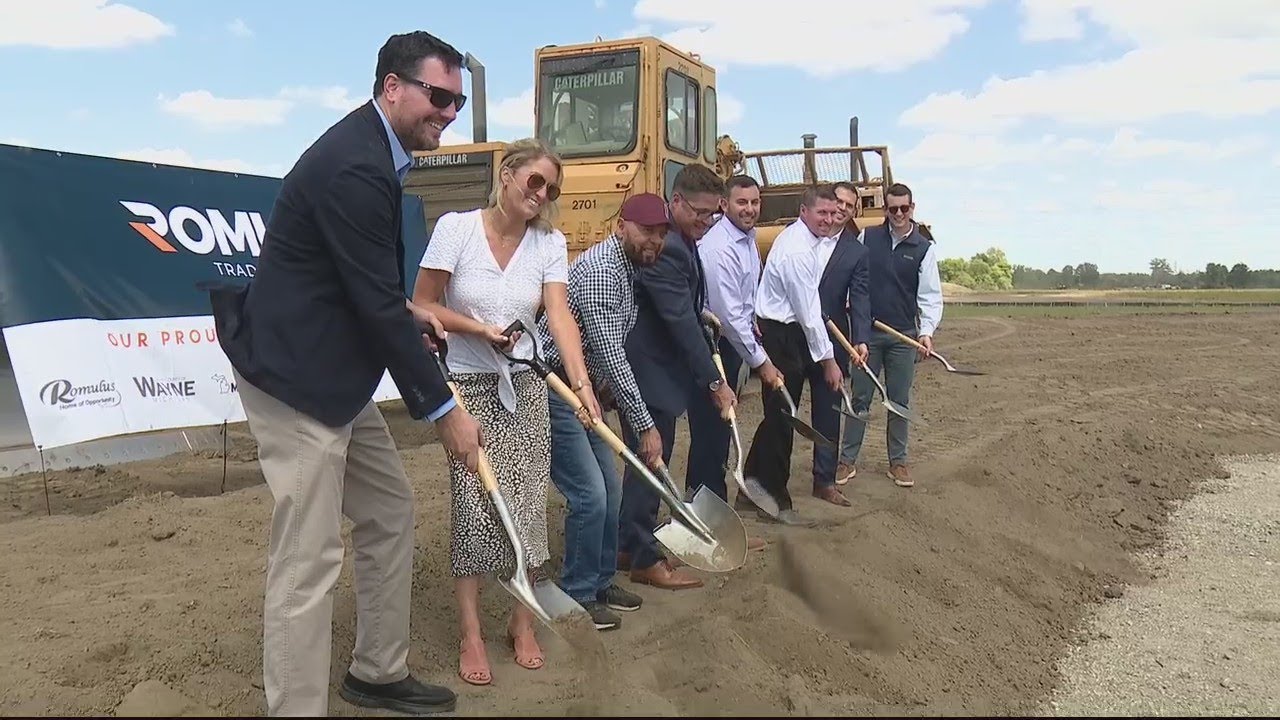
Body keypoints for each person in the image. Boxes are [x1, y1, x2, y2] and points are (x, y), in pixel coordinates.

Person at [208, 31, 483, 717]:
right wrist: (445, 410)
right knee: (308, 560)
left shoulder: (374, 154)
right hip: (295, 378)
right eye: (437, 96)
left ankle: (377, 672)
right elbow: (370, 304)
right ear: (392, 86)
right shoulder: (356, 166)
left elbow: (359, 284)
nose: (448, 111)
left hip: (333, 371)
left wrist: (404, 309)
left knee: (388, 509)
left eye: (458, 100)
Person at [412, 138, 602, 686]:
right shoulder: (456, 228)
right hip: (467, 383)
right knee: (473, 505)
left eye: (551, 190)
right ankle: (471, 632)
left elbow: (560, 316)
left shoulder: (549, 243)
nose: (540, 195)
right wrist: (477, 330)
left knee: (528, 505)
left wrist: (582, 383)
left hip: (526, 384)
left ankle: (522, 622)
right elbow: (421, 303)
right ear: (507, 175)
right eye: (534, 181)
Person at [535, 193, 669, 631]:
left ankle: (599, 580)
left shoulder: (629, 269)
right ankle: (577, 592)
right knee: (589, 494)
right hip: (557, 387)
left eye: (661, 234)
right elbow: (611, 351)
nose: (655, 241)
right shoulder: (600, 272)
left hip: (586, 393)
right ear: (620, 227)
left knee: (611, 489)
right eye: (646, 231)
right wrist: (644, 424)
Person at [618, 164, 736, 589]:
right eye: (700, 213)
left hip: (657, 364)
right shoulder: (668, 246)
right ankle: (645, 559)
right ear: (677, 202)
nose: (706, 222)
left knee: (646, 460)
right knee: (651, 460)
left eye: (713, 215)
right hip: (652, 367)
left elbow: (683, 306)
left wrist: (700, 311)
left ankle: (629, 545)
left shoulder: (683, 241)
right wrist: (715, 381)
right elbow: (678, 320)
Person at [744, 186, 849, 525]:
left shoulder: (810, 241)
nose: (829, 220)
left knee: (777, 414)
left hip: (789, 332)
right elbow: (808, 313)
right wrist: (829, 361)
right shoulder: (797, 251)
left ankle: (751, 488)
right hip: (780, 335)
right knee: (783, 418)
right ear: (804, 212)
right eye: (822, 213)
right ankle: (775, 503)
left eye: (833, 214)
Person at [838, 182, 942, 488]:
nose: (898, 213)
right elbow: (852, 279)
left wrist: (926, 332)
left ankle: (898, 462)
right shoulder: (867, 237)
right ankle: (847, 460)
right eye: (892, 208)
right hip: (866, 335)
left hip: (902, 336)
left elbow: (930, 296)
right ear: (885, 209)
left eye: (904, 208)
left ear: (912, 208)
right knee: (860, 398)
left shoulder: (924, 249)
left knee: (899, 401)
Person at [694, 175, 783, 507]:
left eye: (755, 202)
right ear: (724, 204)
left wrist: (753, 322)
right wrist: (764, 364)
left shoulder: (747, 238)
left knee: (720, 430)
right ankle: (706, 512)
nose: (749, 209)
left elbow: (744, 300)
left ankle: (711, 509)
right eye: (741, 202)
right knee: (712, 434)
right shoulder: (719, 249)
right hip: (713, 346)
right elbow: (727, 318)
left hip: (733, 341)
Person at [813, 185, 873, 505]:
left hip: (832, 340)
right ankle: (763, 481)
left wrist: (860, 338)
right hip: (792, 338)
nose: (841, 208)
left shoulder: (856, 252)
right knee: (780, 412)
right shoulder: (801, 234)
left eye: (849, 205)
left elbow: (860, 297)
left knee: (829, 412)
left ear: (853, 212)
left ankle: (824, 481)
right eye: (838, 201)